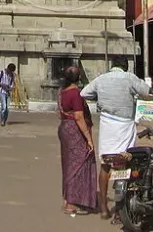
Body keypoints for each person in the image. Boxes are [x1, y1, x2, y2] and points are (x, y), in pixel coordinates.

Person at [80, 58, 153, 220]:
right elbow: (147, 91)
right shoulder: (129, 78)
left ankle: (103, 208)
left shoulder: (101, 79)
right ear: (125, 67)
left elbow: (84, 93)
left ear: (112, 66)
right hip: (125, 125)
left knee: (105, 164)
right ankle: (120, 211)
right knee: (124, 162)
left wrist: (100, 99)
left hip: (107, 124)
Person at [57, 66, 97, 216]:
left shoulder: (62, 92)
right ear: (78, 78)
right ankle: (72, 202)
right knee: (79, 164)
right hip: (75, 130)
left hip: (65, 128)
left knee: (69, 164)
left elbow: (59, 113)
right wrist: (89, 139)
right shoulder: (76, 93)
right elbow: (79, 117)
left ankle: (68, 199)